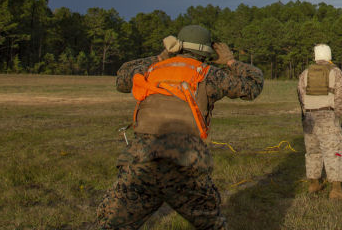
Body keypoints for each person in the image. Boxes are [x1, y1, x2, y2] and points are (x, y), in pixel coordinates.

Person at [94, 25, 264, 229]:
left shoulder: (153, 69)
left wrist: (160, 57)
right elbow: (253, 85)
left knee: (113, 224)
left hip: (140, 161)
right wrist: (230, 61)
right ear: (206, 52)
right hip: (185, 164)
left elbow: (122, 79)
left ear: (178, 47)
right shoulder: (208, 74)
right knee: (211, 224)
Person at [297, 43, 342, 200]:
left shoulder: (305, 73)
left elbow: (300, 96)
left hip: (309, 118)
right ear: (329, 56)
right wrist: (337, 116)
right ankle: (336, 189)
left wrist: (305, 115)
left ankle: (313, 183)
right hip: (327, 116)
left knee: (312, 151)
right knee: (334, 151)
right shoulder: (336, 72)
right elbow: (341, 96)